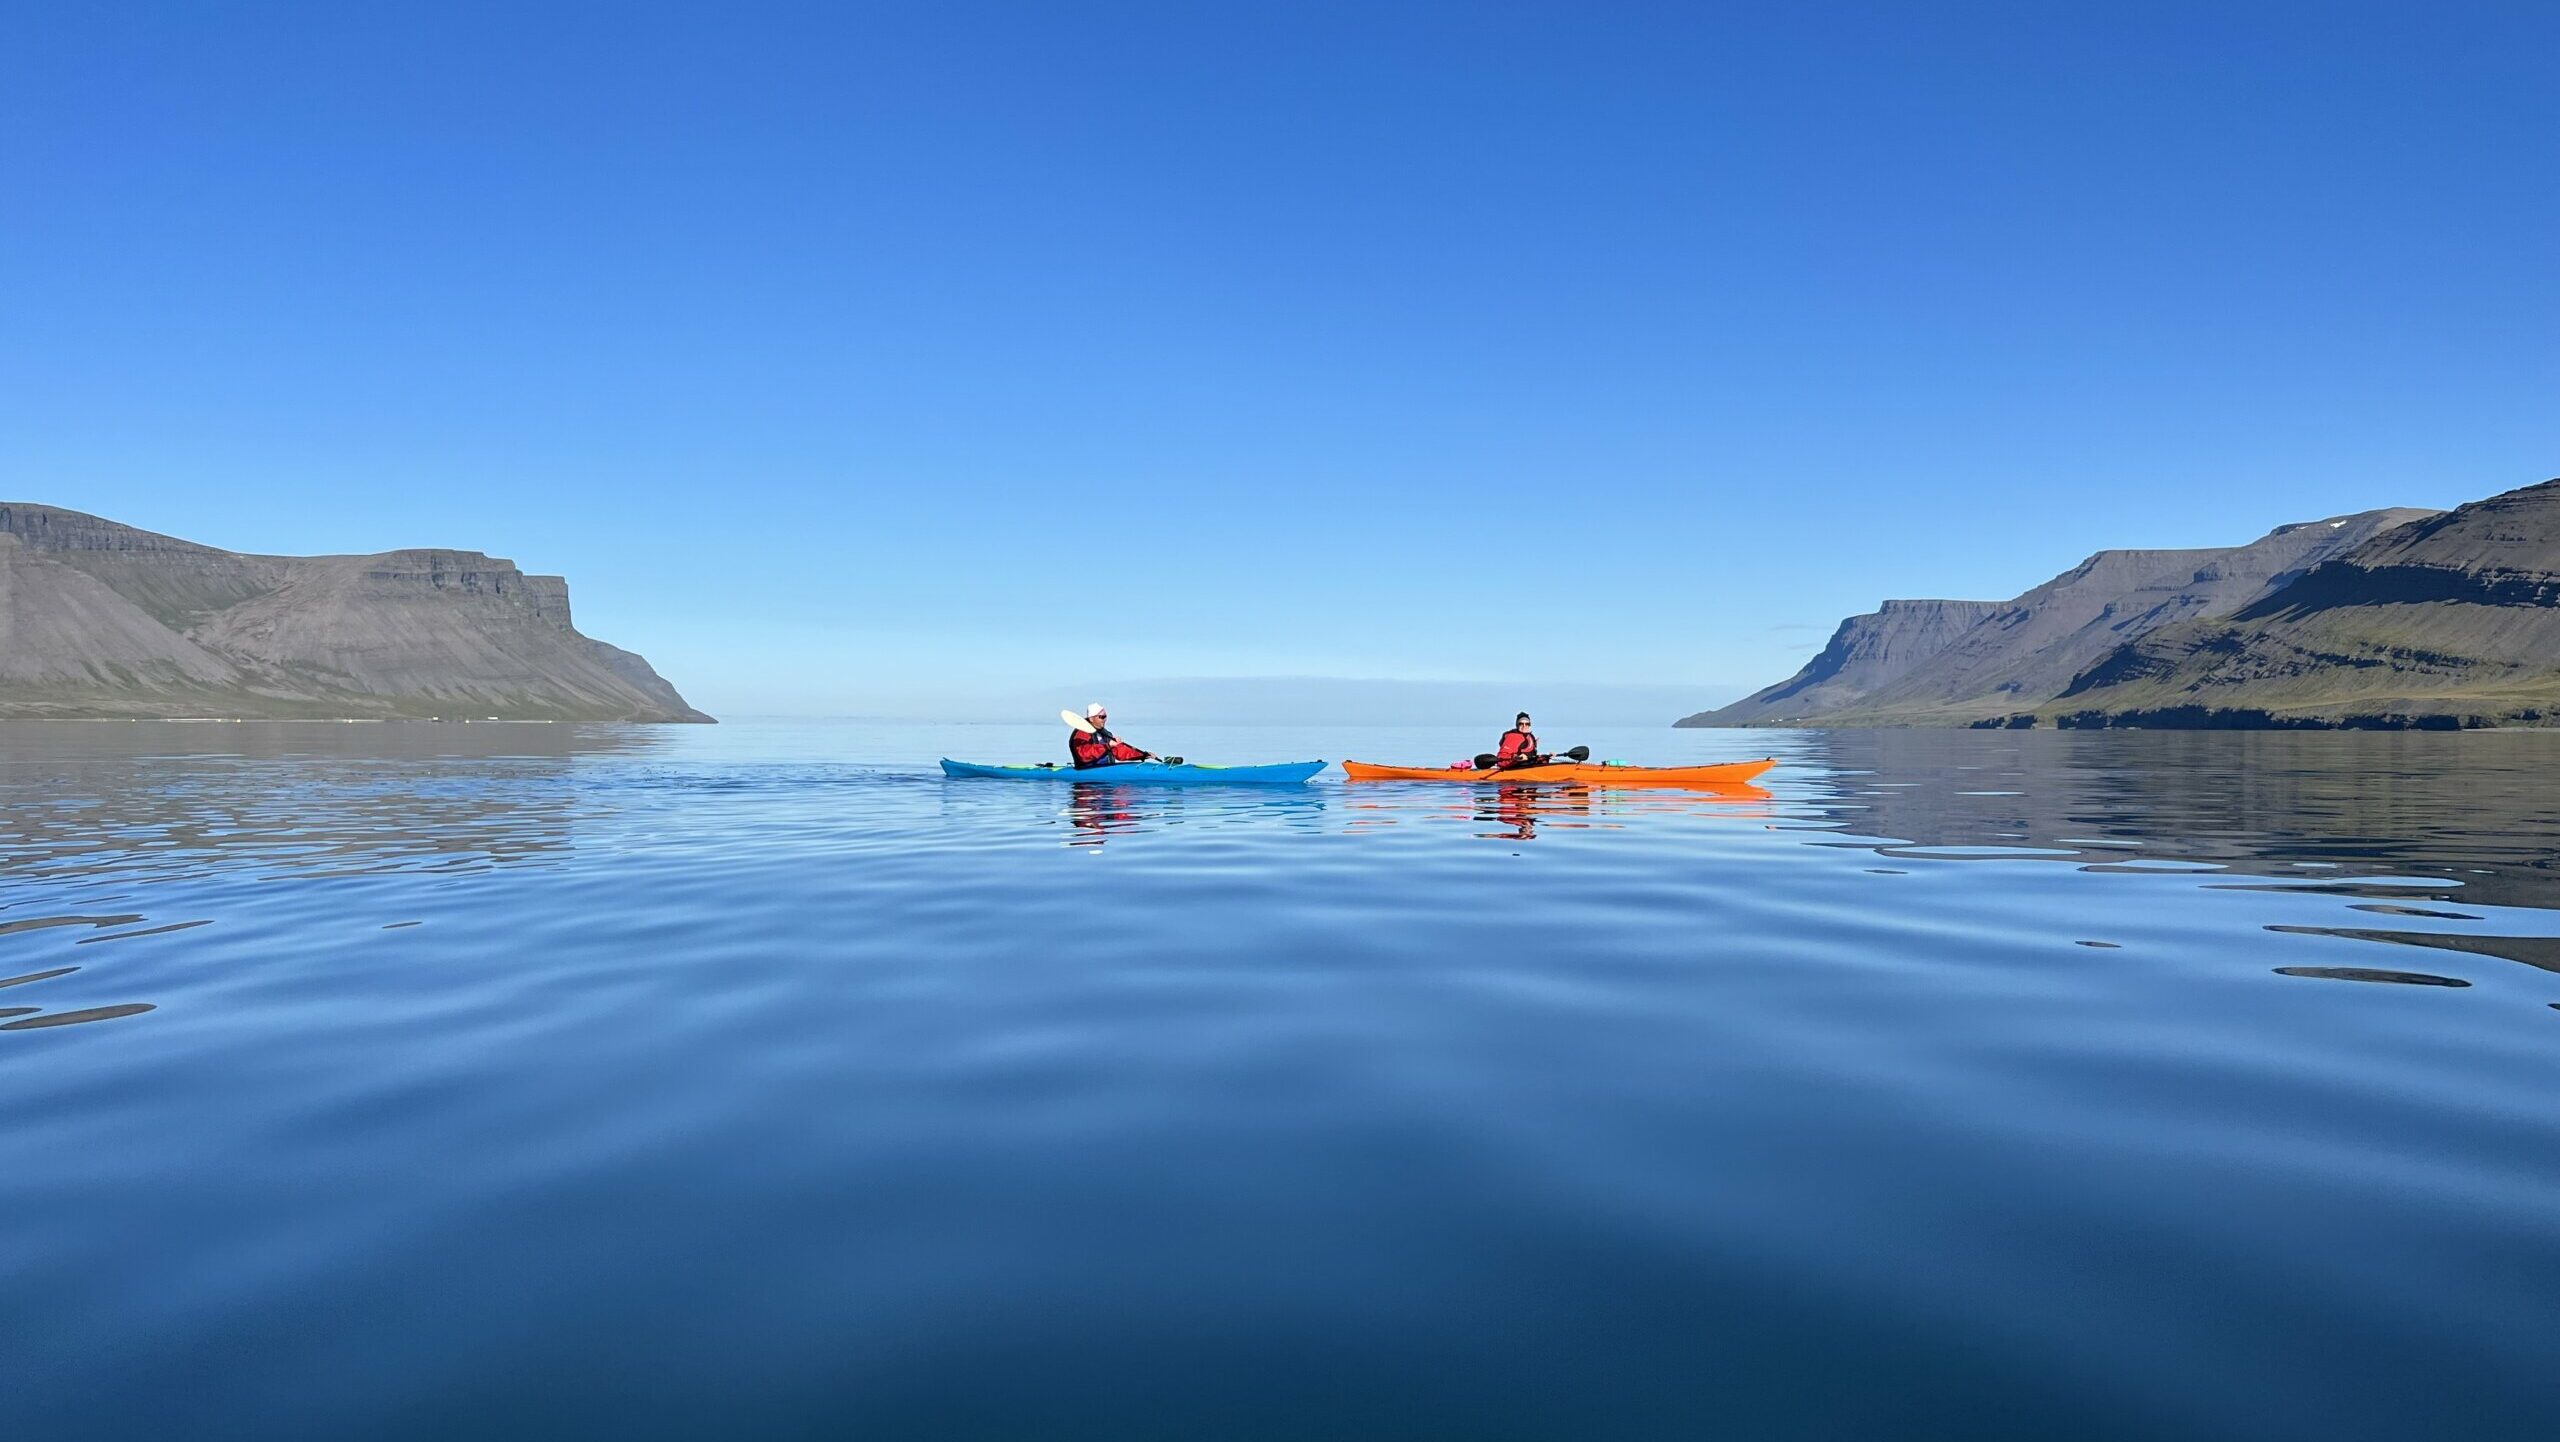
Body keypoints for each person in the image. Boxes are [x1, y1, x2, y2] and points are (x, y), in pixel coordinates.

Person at [1069, 703, 1154, 770]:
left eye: (1105, 716)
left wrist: (1143, 755)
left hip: (1106, 771)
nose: (1104, 719)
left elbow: (1120, 751)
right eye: (1101, 717)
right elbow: (1084, 755)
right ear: (1091, 719)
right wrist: (1107, 746)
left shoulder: (1106, 734)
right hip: (1087, 772)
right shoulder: (1081, 733)